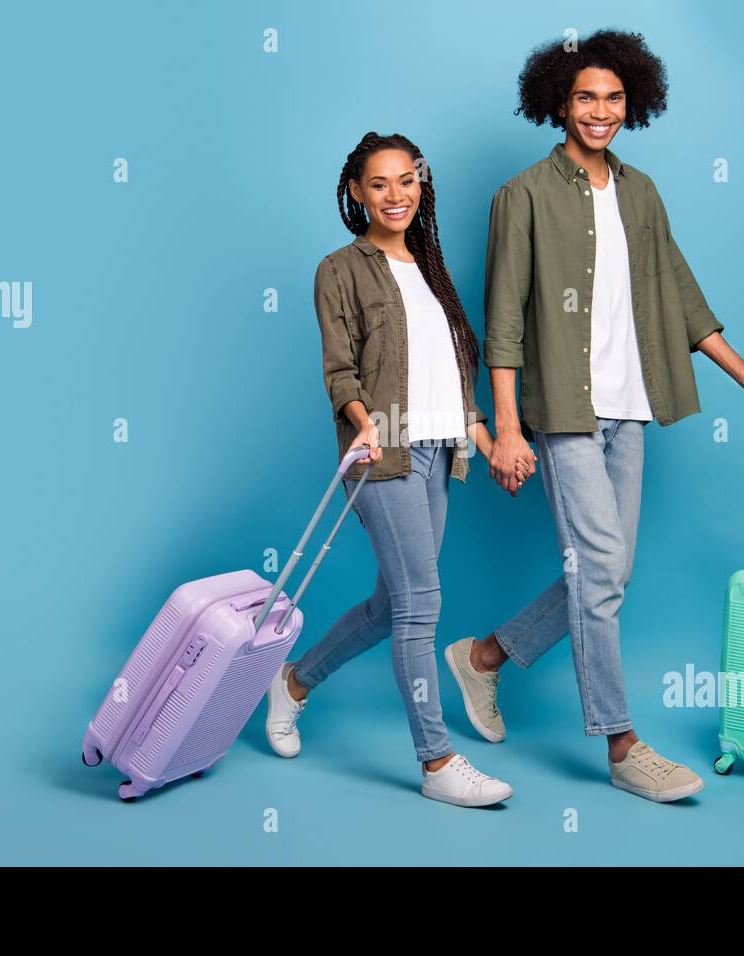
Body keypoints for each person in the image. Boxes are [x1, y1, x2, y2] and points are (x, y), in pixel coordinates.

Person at [443, 30, 744, 803]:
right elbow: (502, 321)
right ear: (558, 104)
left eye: (612, 98)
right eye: (585, 98)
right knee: (601, 573)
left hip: (628, 407)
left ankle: (483, 659)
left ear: (631, 101)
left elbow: (679, 291)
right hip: (563, 411)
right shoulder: (524, 195)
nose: (600, 111)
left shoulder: (640, 193)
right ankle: (621, 743)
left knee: (607, 572)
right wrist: (507, 428)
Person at [264, 132, 532, 808]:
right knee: (421, 605)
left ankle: (292, 682)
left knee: (391, 605)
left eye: (406, 181)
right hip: (383, 453)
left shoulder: (432, 269)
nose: (394, 195)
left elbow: (448, 380)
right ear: (356, 192)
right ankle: (437, 761)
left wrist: (490, 435)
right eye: (378, 184)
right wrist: (362, 420)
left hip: (440, 452)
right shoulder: (339, 268)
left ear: (422, 185)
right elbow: (341, 371)